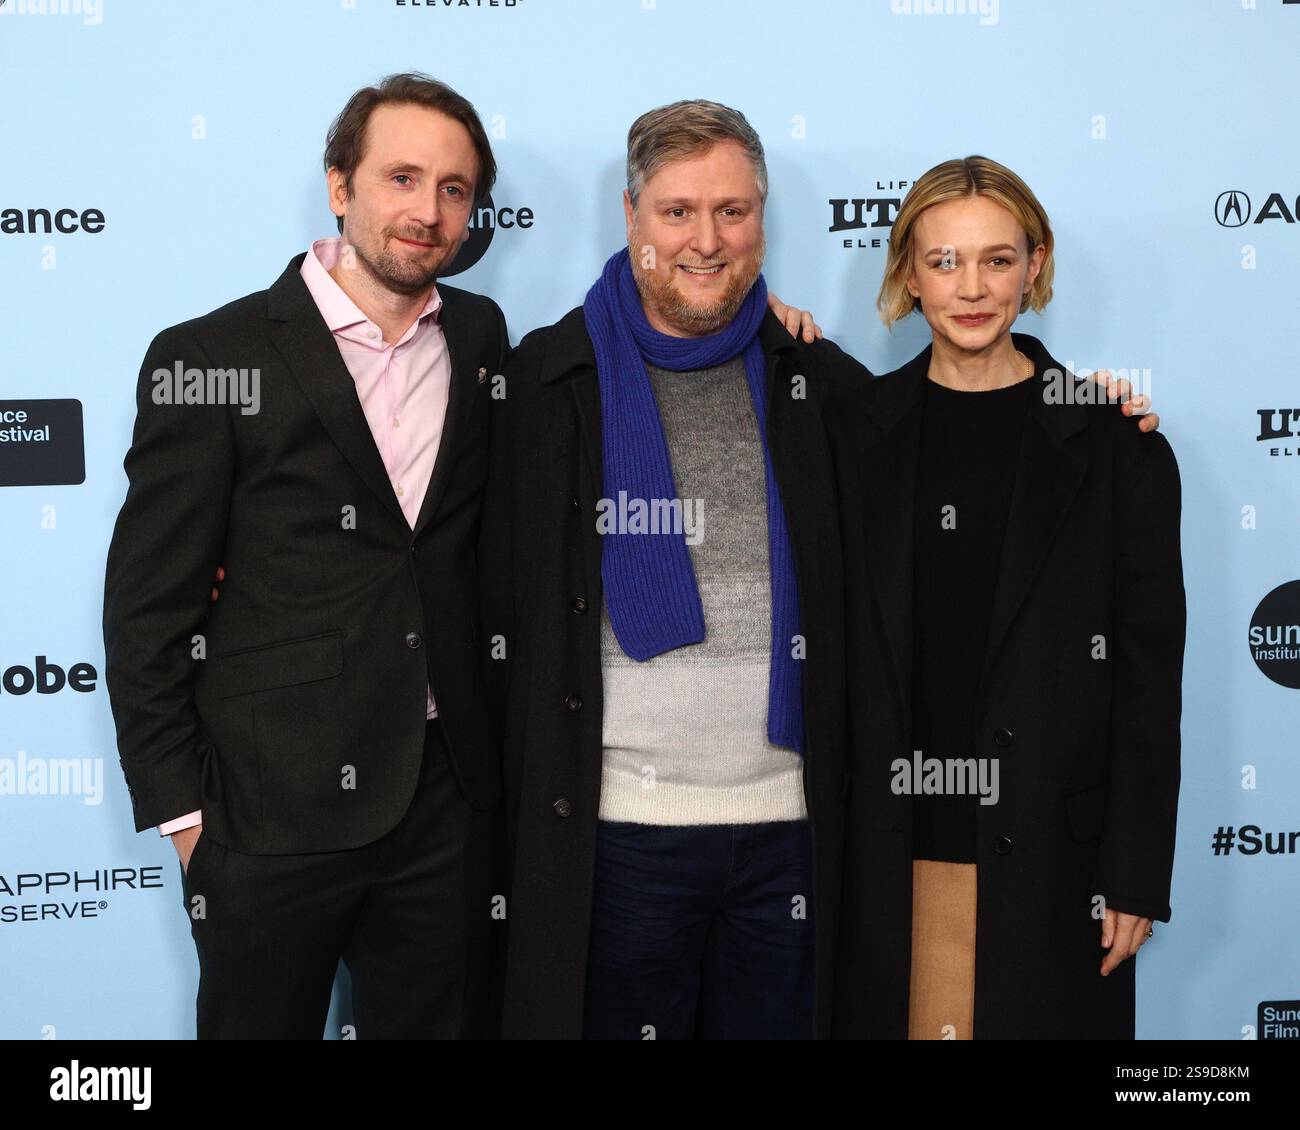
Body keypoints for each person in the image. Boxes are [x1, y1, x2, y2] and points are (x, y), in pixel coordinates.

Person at [102, 73, 509, 1039]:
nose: (427, 211)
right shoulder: (214, 355)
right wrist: (188, 823)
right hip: (267, 811)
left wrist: (762, 322)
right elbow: (147, 609)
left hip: (444, 801)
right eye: (401, 177)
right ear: (340, 185)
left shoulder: (484, 337)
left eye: (454, 188)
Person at [481, 100, 868, 1039]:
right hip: (617, 841)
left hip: (792, 837)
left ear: (762, 223)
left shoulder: (821, 383)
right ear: (630, 216)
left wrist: (1092, 407)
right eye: (678, 211)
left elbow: (967, 438)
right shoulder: (541, 384)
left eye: (732, 212)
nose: (707, 239)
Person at [828, 156, 1186, 1039]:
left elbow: (1149, 684)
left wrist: (1134, 875)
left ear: (1037, 265)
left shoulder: (1117, 447)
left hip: (1054, 870)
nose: (971, 288)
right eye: (944, 261)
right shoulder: (849, 434)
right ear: (908, 273)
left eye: (997, 259)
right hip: (887, 858)